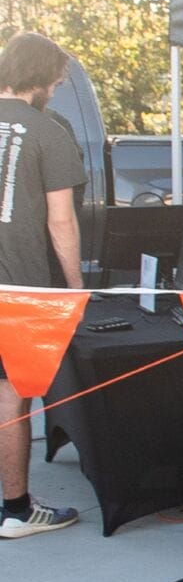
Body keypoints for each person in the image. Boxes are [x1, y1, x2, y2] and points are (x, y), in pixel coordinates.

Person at [0, 32, 86, 539]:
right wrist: (75, 287)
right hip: (17, 290)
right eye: (55, 80)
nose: (56, 88)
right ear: (40, 78)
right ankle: (15, 510)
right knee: (12, 394)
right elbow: (62, 223)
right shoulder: (48, 130)